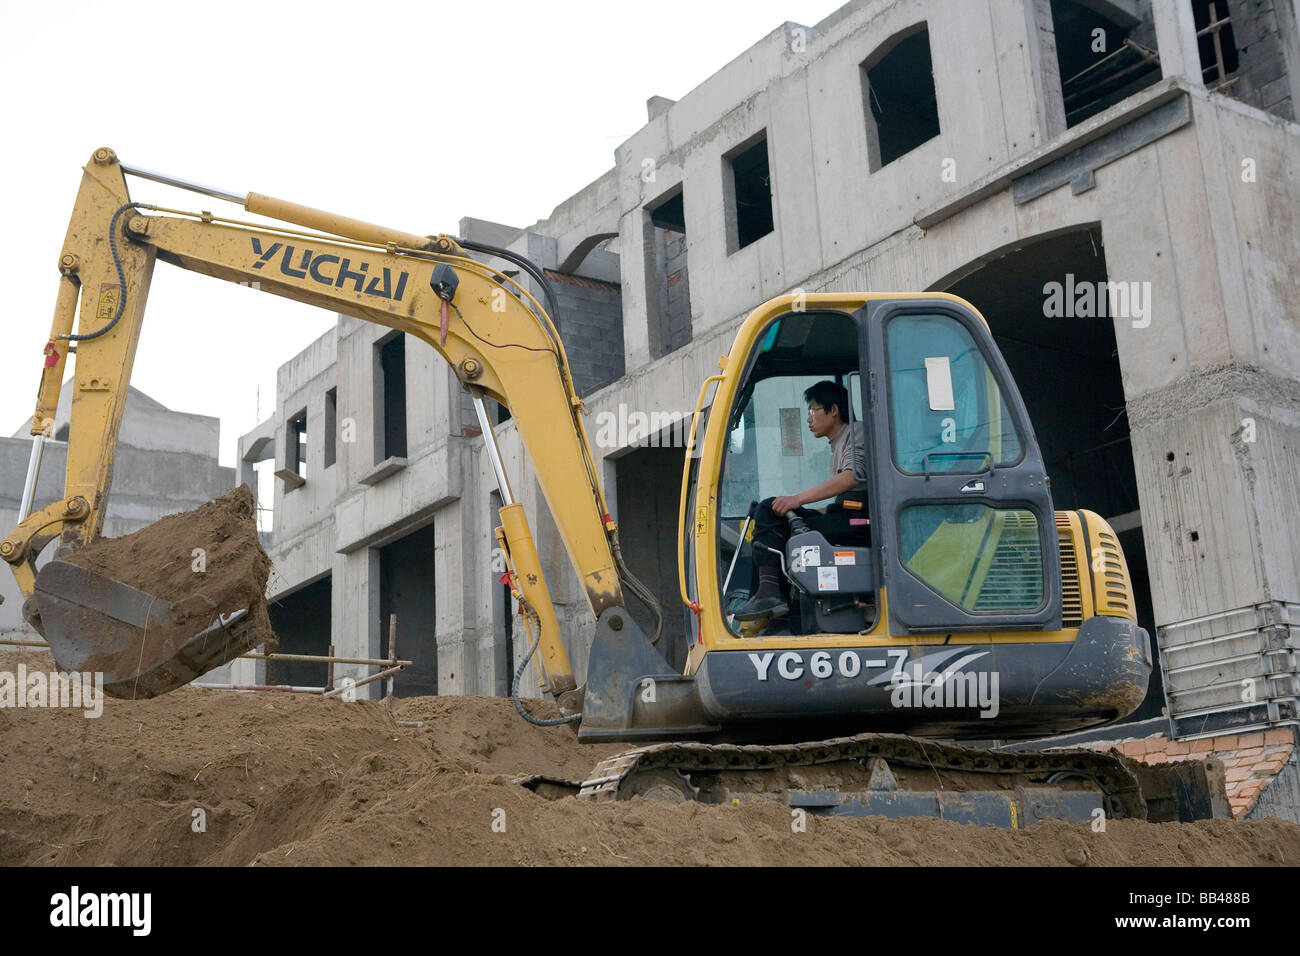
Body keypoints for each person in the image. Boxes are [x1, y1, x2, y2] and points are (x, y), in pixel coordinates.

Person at [731, 380, 870, 622]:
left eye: (813, 411)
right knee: (768, 510)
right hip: (844, 515)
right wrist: (811, 511)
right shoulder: (838, 443)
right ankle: (769, 596)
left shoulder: (856, 433)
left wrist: (797, 501)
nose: (809, 419)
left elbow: (851, 478)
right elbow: (845, 499)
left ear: (834, 410)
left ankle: (770, 595)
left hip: (859, 523)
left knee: (774, 512)